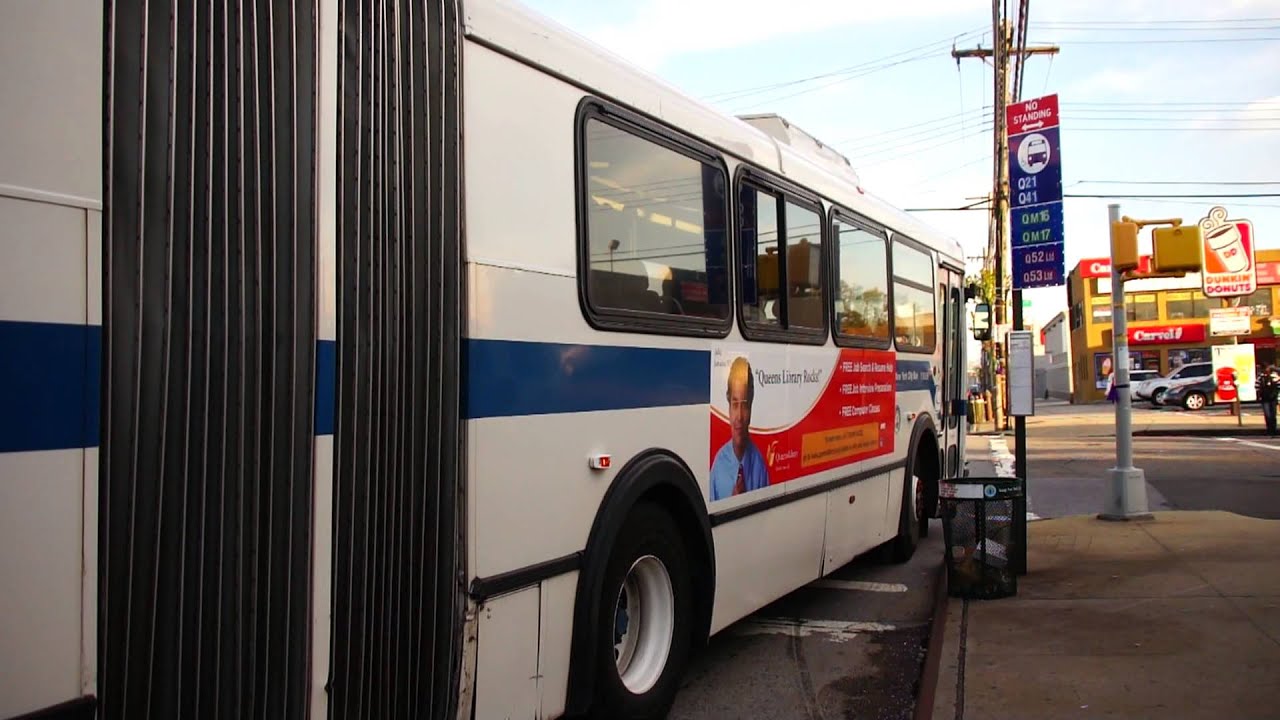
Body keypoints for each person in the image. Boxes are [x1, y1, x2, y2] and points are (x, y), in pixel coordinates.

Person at [710, 357, 770, 500]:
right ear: (729, 409)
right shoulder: (718, 466)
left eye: (745, 405)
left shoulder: (759, 466)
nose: (739, 417)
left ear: (751, 408)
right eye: (735, 405)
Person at [1255, 363, 1280, 435]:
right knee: (1267, 414)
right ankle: (1269, 429)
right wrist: (1259, 395)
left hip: (1273, 398)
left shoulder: (1274, 376)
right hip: (1265, 398)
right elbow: (1257, 386)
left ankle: (1273, 429)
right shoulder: (1260, 377)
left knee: (1273, 414)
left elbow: (1278, 386)